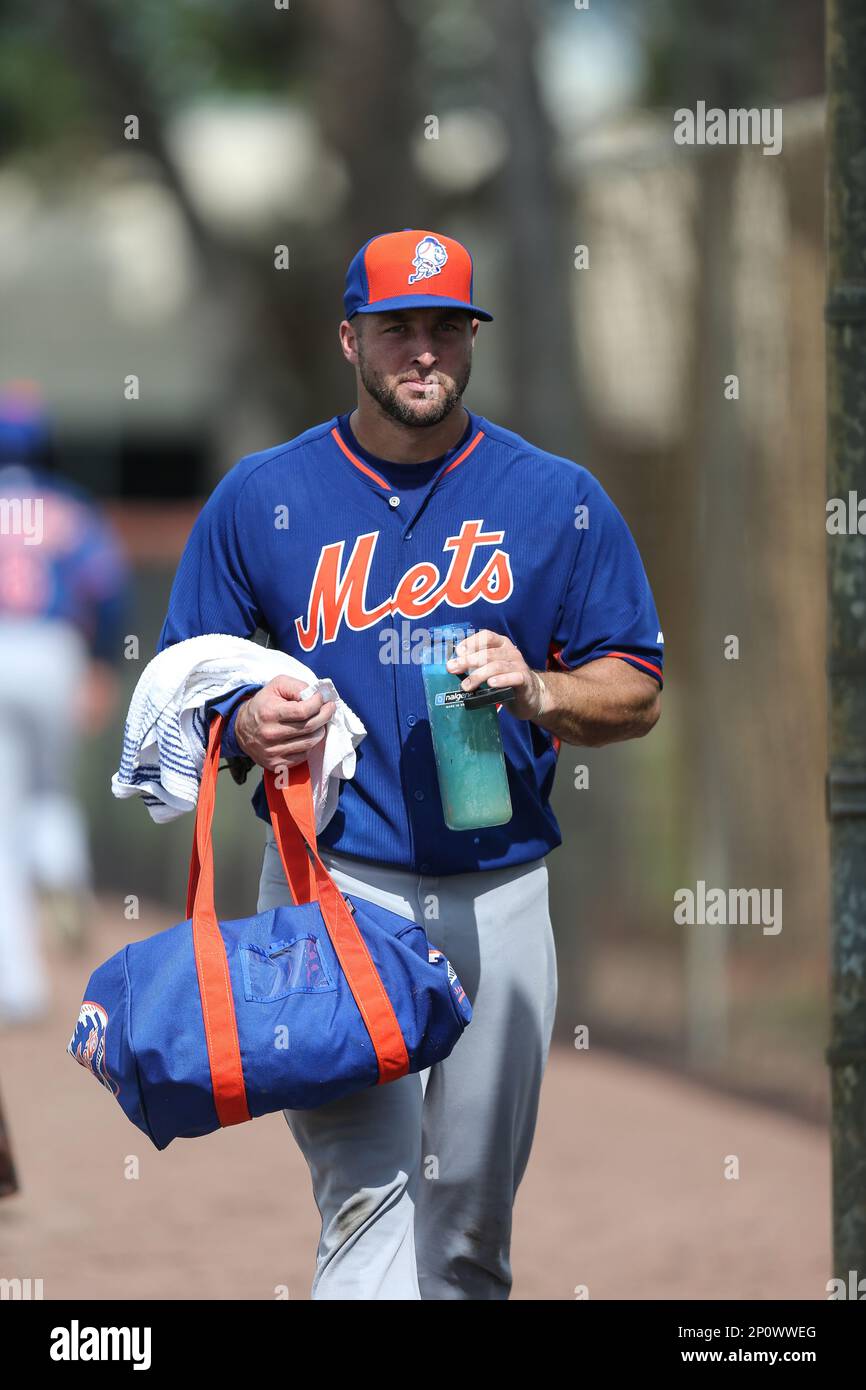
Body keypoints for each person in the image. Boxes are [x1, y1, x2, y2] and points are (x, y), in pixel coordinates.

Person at [158, 229, 664, 1299]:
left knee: (467, 1237)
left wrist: (542, 689)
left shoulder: (554, 497)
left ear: (472, 338)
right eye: (398, 329)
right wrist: (247, 724)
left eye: (447, 327)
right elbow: (181, 683)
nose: (423, 351)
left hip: (501, 887)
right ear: (350, 338)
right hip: (327, 885)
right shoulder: (260, 498)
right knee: (365, 1198)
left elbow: (636, 688)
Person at [0, 382, 128, 1025]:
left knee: (2, 814)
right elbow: (107, 589)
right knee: (51, 792)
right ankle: (63, 868)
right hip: (55, 650)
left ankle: (16, 985)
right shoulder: (68, 508)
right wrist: (100, 665)